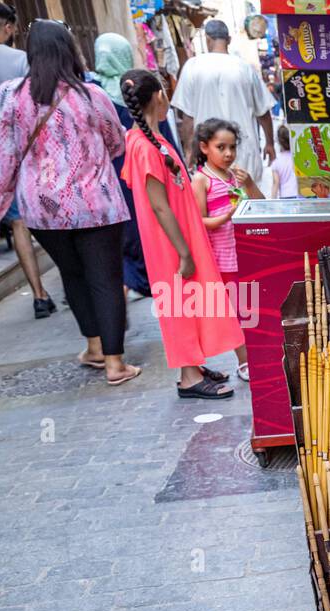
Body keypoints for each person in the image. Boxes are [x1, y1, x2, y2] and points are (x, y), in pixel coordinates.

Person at [0, 20, 138, 384]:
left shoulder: (10, 96)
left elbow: (6, 157)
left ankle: (94, 347)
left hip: (42, 211)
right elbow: (117, 143)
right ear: (69, 51)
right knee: (106, 279)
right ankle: (114, 363)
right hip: (97, 204)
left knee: (72, 276)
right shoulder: (92, 95)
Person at [120, 68, 245, 400]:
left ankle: (193, 365)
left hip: (182, 235)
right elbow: (159, 207)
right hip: (170, 242)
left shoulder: (153, 140)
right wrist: (185, 253)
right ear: (159, 96)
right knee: (179, 305)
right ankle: (189, 376)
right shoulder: (142, 146)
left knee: (192, 301)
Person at [94, 31, 181, 300]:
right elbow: (163, 135)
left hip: (117, 175)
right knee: (153, 218)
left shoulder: (96, 93)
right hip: (149, 170)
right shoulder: (140, 89)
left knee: (130, 229)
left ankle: (132, 280)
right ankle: (152, 275)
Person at [190, 117, 259, 381]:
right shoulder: (201, 179)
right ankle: (244, 362)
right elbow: (200, 222)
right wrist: (228, 215)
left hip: (244, 253)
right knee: (235, 313)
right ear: (205, 147)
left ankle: (254, 356)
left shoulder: (236, 176)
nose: (229, 153)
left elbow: (260, 205)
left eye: (232, 147)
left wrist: (250, 185)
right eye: (221, 147)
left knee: (249, 309)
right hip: (223, 258)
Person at [0, 4, 55, 319]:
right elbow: (37, 107)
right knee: (45, 215)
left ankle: (38, 294)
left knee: (18, 222)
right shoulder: (20, 60)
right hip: (23, 152)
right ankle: (71, 279)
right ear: (7, 26)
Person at [171, 20, 275, 183]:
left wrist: (189, 151)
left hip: (209, 154)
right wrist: (270, 144)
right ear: (229, 40)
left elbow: (188, 119)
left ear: (207, 39)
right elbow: (263, 112)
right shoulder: (244, 68)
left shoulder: (193, 66)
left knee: (215, 203)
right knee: (248, 202)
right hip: (243, 151)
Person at [269, 125, 298, 199]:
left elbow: (276, 183)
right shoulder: (296, 158)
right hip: (298, 195)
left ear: (279, 142)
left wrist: (272, 201)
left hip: (285, 197)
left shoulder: (276, 162)